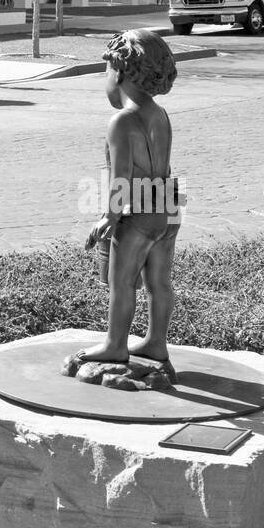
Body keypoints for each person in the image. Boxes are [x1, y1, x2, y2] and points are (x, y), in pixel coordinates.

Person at [69, 29, 180, 378]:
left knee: (122, 282)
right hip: (169, 206)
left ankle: (116, 345)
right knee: (159, 282)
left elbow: (121, 176)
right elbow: (163, 167)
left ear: (118, 71)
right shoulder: (160, 114)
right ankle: (156, 343)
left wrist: (109, 217)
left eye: (105, 72)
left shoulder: (121, 121)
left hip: (139, 213)